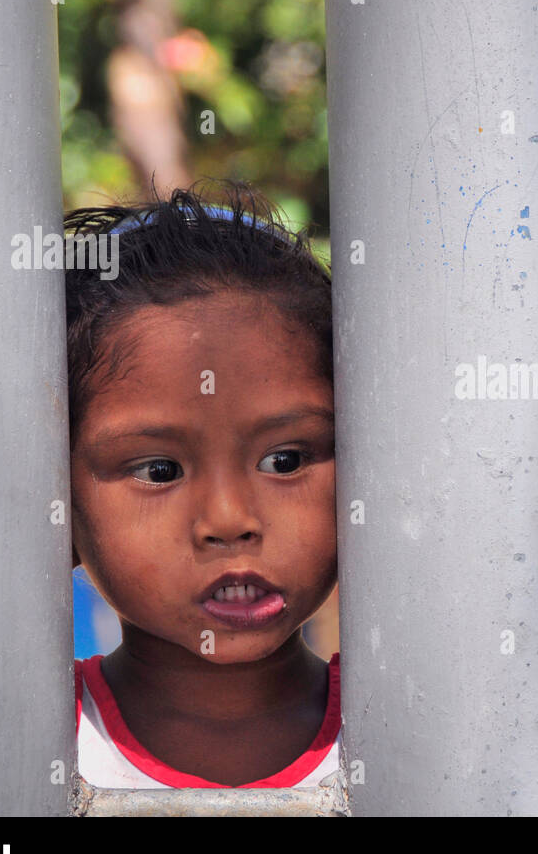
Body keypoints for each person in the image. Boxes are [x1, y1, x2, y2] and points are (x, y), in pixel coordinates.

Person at [65, 184, 340, 787]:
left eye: (286, 460)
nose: (229, 519)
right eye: (158, 471)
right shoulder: (17, 744)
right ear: (62, 503)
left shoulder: (427, 729)